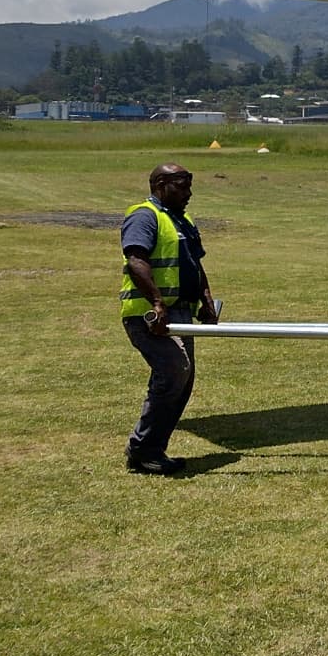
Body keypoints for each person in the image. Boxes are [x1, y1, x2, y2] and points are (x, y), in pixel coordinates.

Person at [118, 162, 217, 475]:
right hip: (149, 315)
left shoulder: (183, 219)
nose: (188, 193)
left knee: (182, 381)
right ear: (160, 185)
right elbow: (136, 261)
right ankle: (143, 449)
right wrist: (157, 302)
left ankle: (152, 449)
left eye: (189, 185)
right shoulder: (144, 216)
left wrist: (206, 299)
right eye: (181, 186)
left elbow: (193, 264)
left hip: (180, 312)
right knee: (173, 372)